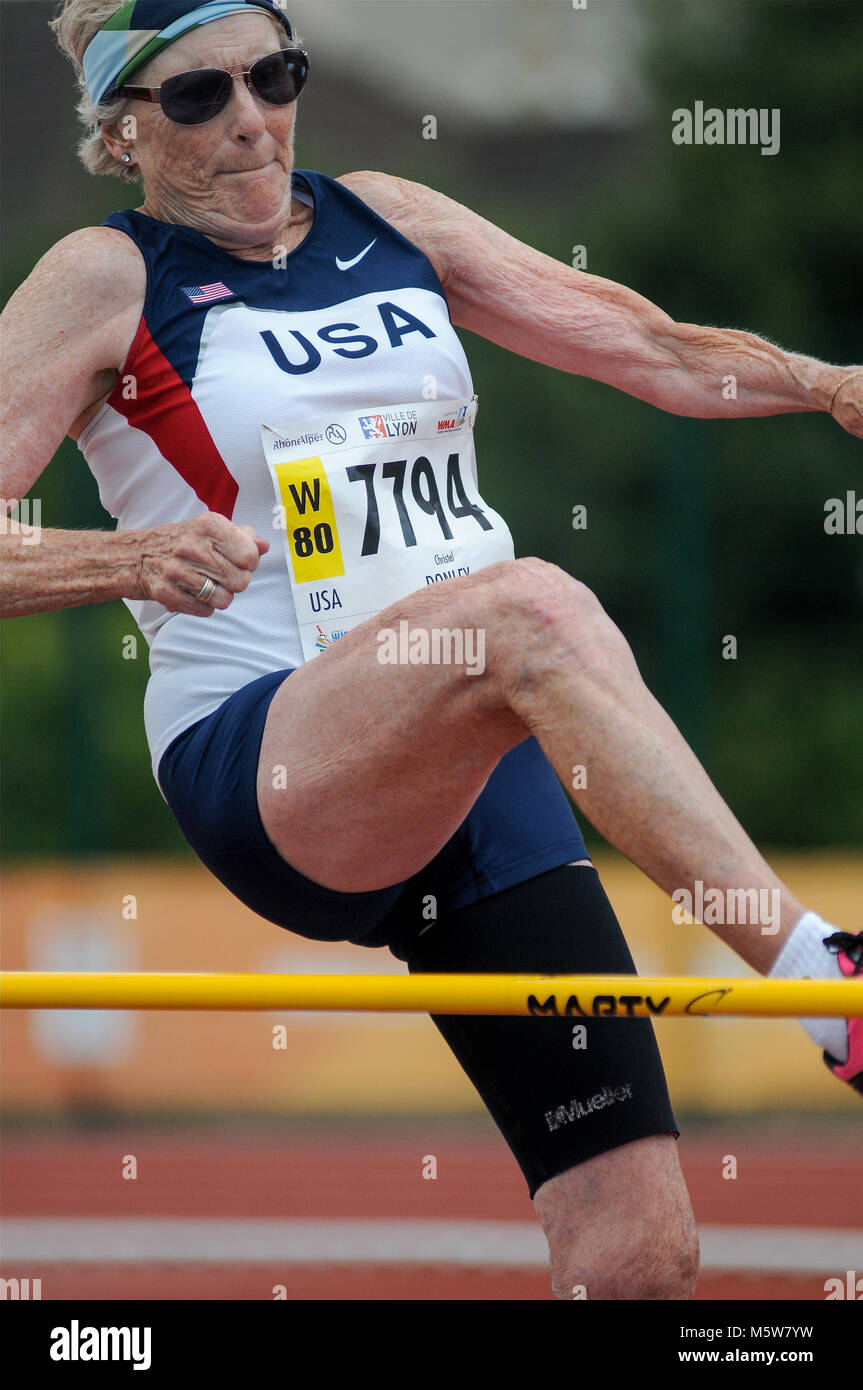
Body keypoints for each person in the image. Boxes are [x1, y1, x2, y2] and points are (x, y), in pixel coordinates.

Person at [1, 0, 860, 1301]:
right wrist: (123, 560)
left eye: (274, 75)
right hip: (272, 751)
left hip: (473, 751)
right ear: (124, 130)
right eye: (198, 96)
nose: (250, 117)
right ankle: (819, 978)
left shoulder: (388, 214)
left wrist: (827, 380)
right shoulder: (107, 278)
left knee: (641, 1255)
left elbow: (646, 344)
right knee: (529, 611)